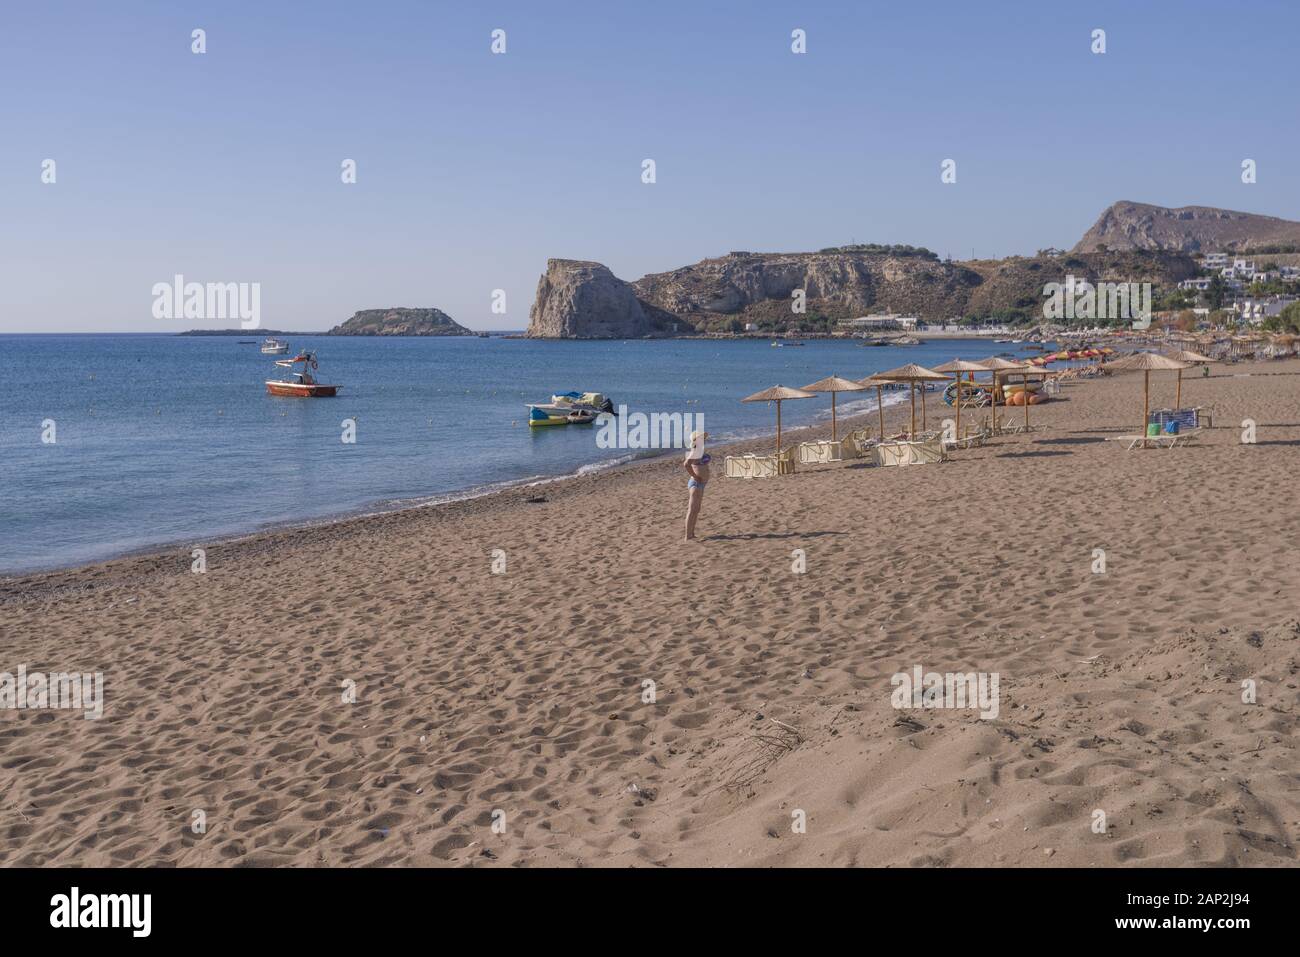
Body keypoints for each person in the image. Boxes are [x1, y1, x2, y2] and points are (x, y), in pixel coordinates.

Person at [683, 430, 710, 541]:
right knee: (692, 509)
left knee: (696, 509)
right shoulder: (694, 451)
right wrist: (694, 476)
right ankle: (687, 536)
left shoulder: (700, 450)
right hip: (696, 484)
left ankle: (692, 533)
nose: (703, 440)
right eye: (700, 438)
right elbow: (686, 464)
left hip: (702, 483)